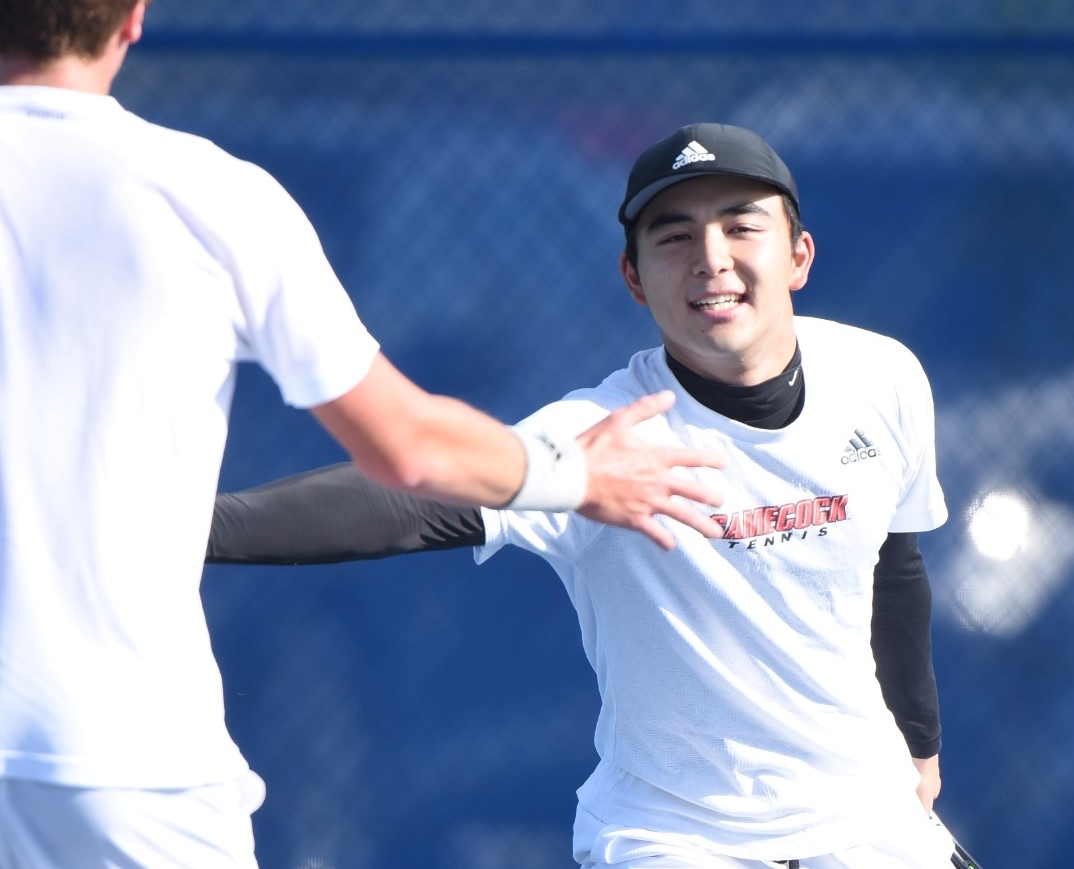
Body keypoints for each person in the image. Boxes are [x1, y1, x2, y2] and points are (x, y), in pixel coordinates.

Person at [0, 3, 728, 865]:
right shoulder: (211, 194)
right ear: (133, 19)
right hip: (129, 759)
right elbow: (407, 445)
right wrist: (580, 473)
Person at [208, 122, 958, 868]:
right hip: (676, 837)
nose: (711, 259)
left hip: (868, 817)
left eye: (740, 226)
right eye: (674, 237)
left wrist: (919, 746)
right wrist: (191, 524)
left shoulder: (882, 377)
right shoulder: (601, 436)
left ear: (798, 256)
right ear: (633, 278)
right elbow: (416, 498)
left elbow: (896, 565)